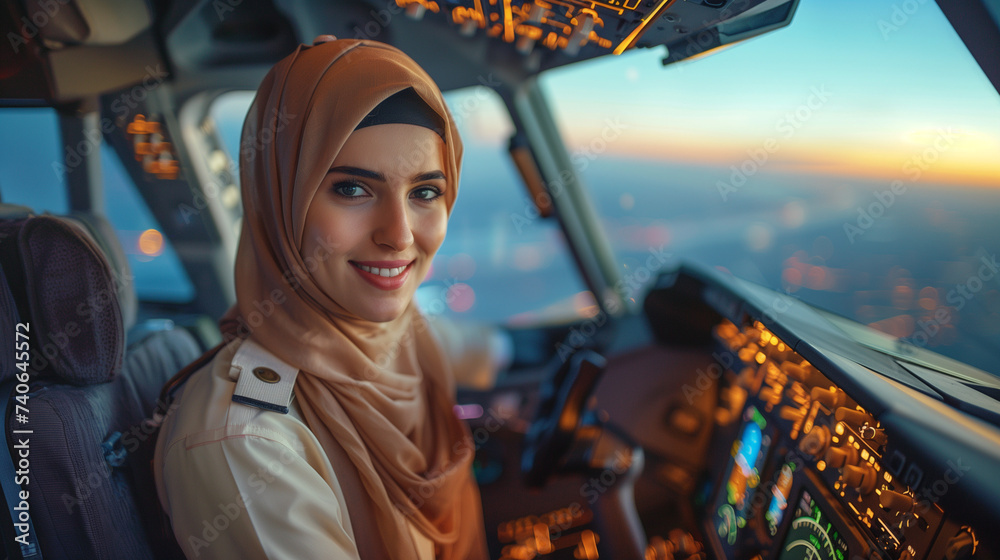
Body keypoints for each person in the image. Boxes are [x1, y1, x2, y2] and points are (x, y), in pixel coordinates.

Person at [154, 36, 498, 560]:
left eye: (425, 192)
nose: (400, 235)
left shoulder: (403, 338)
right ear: (279, 200)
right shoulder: (248, 441)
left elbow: (486, 350)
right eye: (352, 190)